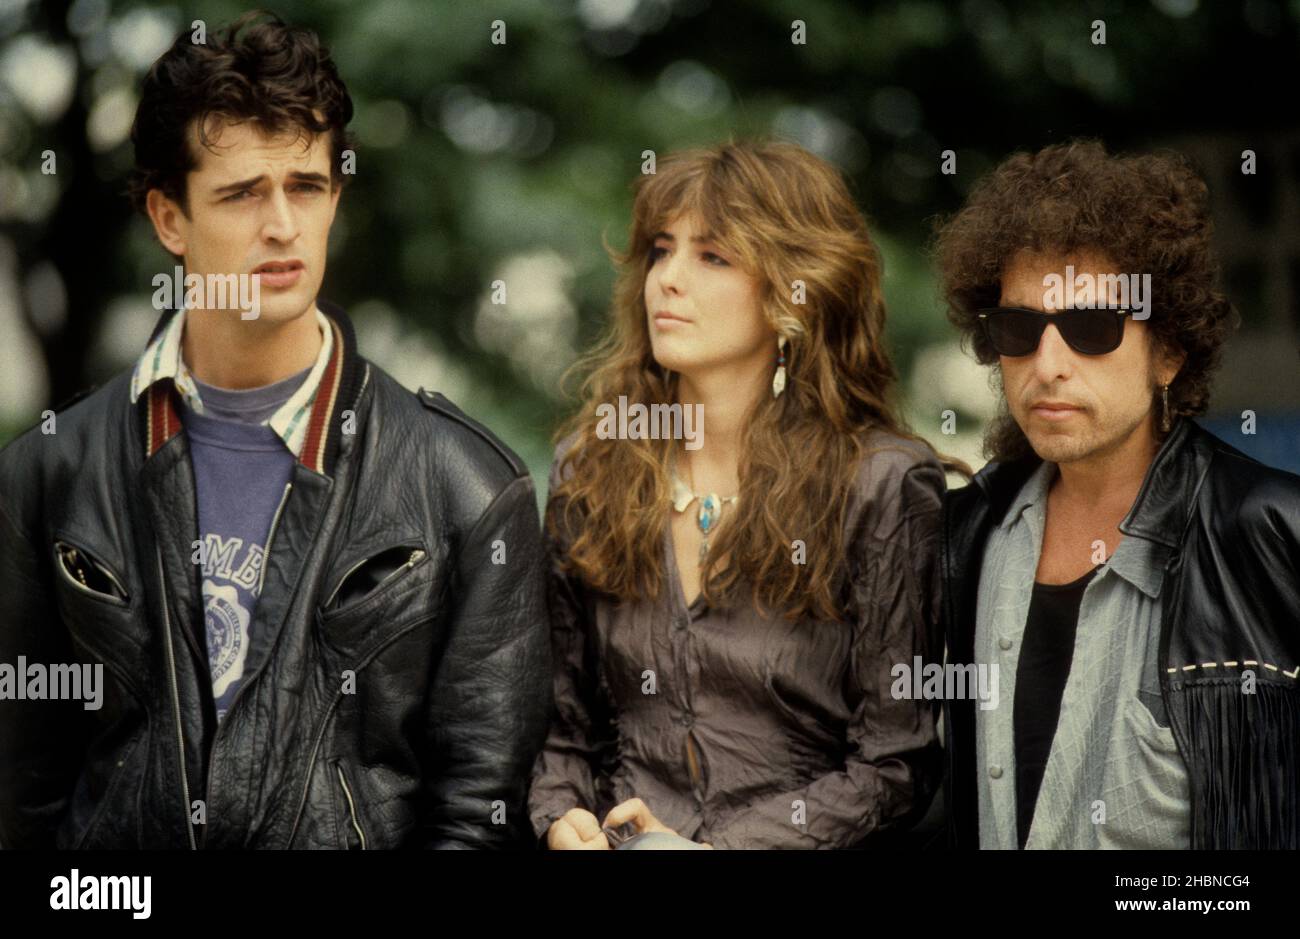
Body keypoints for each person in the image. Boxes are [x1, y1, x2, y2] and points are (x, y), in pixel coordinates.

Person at [0, 13, 551, 849]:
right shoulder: (46, 472)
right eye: (241, 193)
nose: (283, 226)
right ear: (169, 219)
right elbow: (22, 792)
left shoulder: (465, 487)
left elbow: (478, 813)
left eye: (306, 186)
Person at [529, 140, 951, 849]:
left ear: (793, 292)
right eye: (662, 250)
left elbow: (894, 763)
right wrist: (559, 815)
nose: (667, 278)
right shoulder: (592, 467)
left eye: (713, 256)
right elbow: (560, 727)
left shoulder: (880, 483)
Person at [935, 140, 1300, 849]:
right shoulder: (963, 536)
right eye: (1018, 329)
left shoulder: (1267, 533)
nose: (1048, 365)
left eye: (1091, 327)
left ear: (1169, 352)